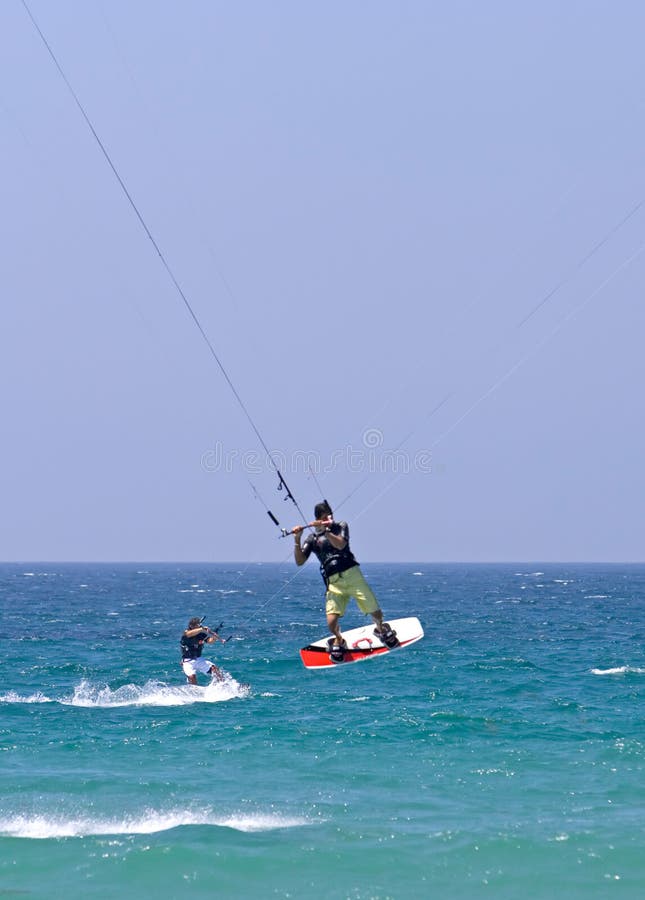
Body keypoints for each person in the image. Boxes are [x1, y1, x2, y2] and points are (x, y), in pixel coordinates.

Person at [292, 501, 398, 663]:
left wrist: (326, 531)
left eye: (330, 514)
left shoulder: (340, 526)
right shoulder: (312, 539)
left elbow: (341, 545)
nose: (330, 517)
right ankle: (338, 640)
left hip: (352, 574)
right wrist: (297, 539)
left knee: (375, 612)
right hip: (334, 583)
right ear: (318, 518)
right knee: (331, 622)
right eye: (325, 516)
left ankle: (380, 629)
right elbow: (299, 561)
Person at [180, 617, 225, 685]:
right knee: (192, 677)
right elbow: (189, 634)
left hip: (198, 659)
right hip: (187, 661)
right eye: (197, 626)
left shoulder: (200, 634)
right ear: (191, 626)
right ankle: (194, 692)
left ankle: (223, 685)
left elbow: (210, 641)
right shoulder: (186, 633)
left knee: (214, 669)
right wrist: (201, 629)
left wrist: (214, 636)